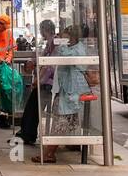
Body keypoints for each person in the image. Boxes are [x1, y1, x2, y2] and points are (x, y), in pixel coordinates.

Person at [33, 24, 91, 164]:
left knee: (60, 120)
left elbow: (64, 55)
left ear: (73, 38)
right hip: (66, 89)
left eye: (65, 38)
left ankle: (49, 153)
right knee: (65, 118)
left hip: (71, 91)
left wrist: (61, 44)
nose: (62, 41)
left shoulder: (76, 50)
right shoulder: (75, 48)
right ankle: (71, 143)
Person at [17, 19, 58, 147]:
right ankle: (26, 132)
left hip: (50, 83)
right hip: (46, 81)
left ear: (45, 30)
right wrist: (32, 61)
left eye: (41, 29)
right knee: (31, 104)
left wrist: (39, 81)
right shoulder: (49, 43)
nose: (40, 32)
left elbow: (49, 66)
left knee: (33, 106)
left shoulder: (54, 43)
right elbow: (42, 57)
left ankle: (28, 133)